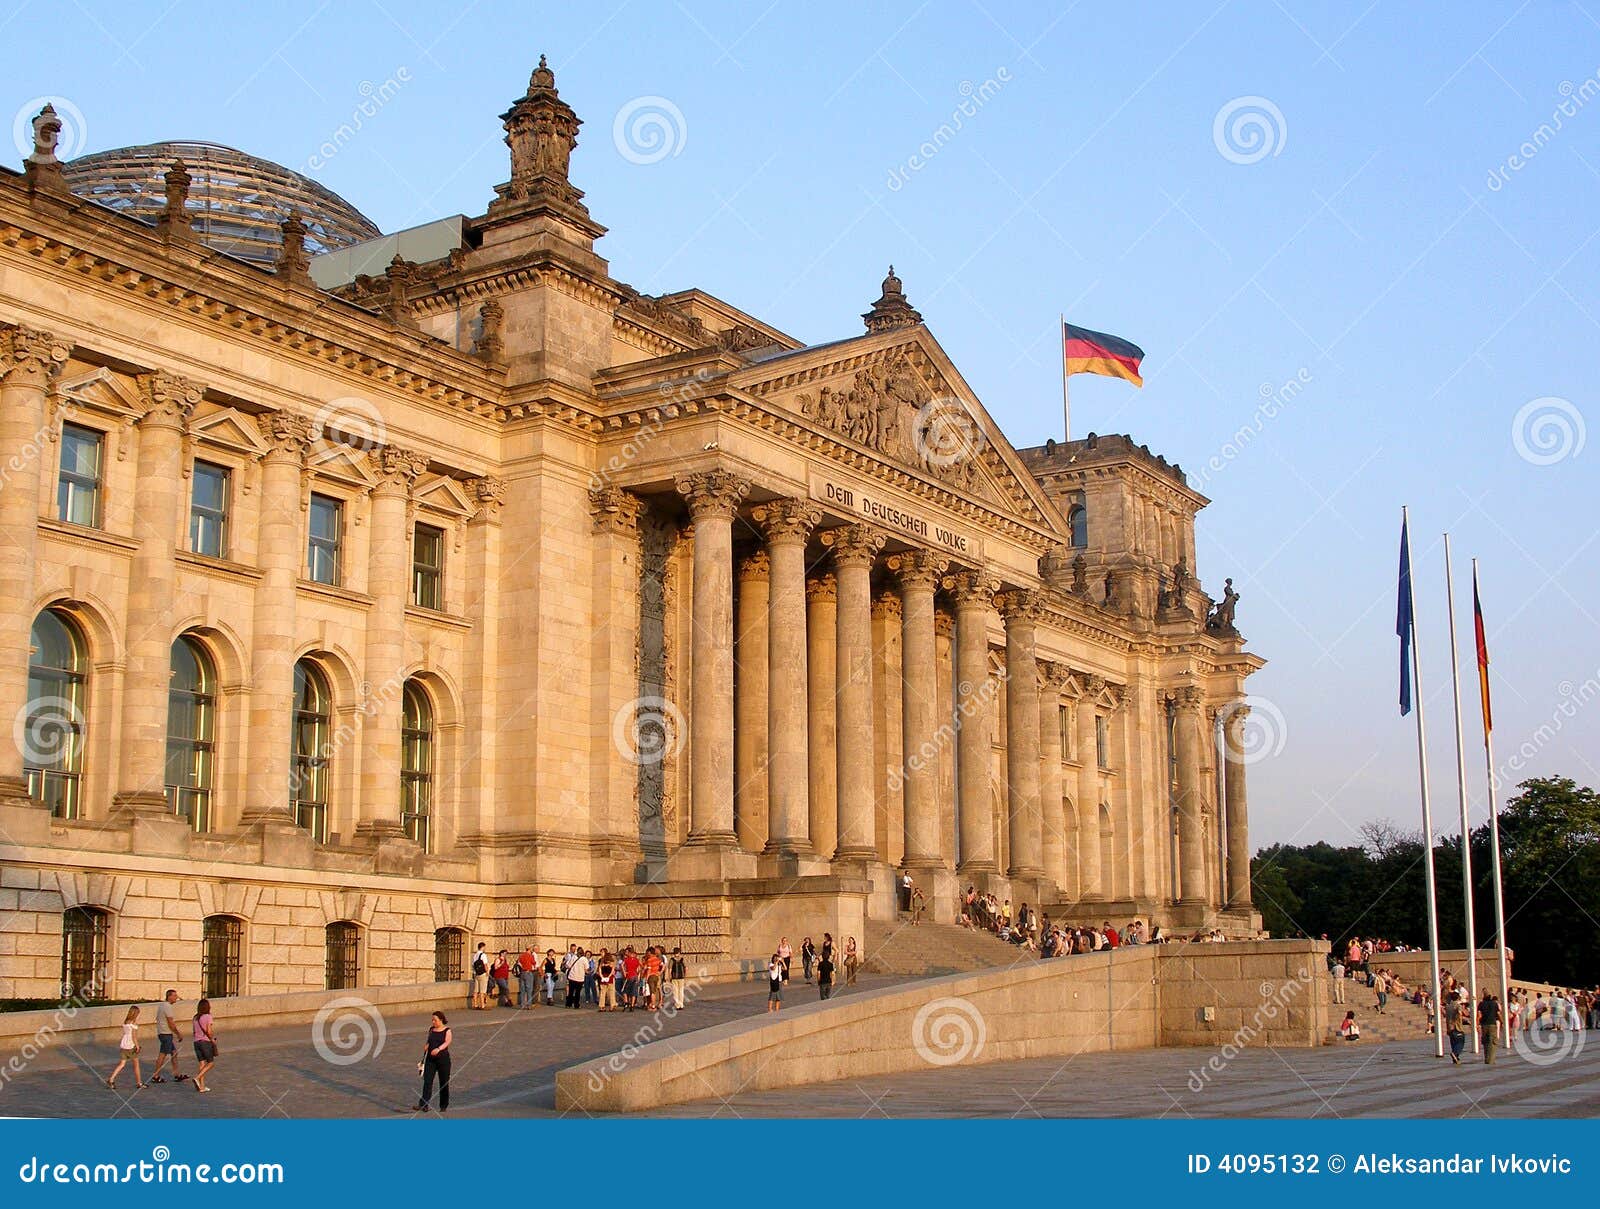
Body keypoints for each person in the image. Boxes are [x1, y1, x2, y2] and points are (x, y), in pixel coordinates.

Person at [413, 1011, 452, 1114]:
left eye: (435, 1020)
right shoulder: (431, 1030)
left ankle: (443, 1105)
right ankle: (424, 1104)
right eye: (432, 1020)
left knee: (443, 1083)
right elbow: (429, 1041)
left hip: (443, 1060)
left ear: (441, 1020)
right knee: (427, 1081)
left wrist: (438, 1049)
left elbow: (447, 1042)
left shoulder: (447, 1030)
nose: (433, 1022)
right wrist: (426, 1046)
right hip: (430, 1060)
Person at [150, 989, 187, 1084]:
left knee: (174, 1053)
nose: (176, 997)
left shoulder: (162, 1005)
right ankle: (155, 1076)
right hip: (165, 1034)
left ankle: (177, 1074)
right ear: (169, 996)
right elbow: (171, 1023)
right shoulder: (167, 1007)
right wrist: (178, 1034)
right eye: (174, 996)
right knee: (162, 1054)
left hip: (163, 1033)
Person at [107, 1005, 145, 1090]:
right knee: (136, 1065)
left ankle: (111, 1079)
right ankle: (139, 1083)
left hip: (124, 1044)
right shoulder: (134, 1024)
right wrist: (137, 1046)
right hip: (131, 1045)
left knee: (122, 1064)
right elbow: (134, 1037)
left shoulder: (125, 1022)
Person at [192, 998, 217, 1093]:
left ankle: (202, 1086)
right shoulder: (208, 1016)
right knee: (210, 1063)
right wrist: (212, 1040)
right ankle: (197, 1078)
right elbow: (209, 1031)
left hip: (196, 1042)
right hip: (205, 1041)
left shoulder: (195, 1017)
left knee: (202, 1063)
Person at [1479, 991, 1500, 1064]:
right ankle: (1491, 1060)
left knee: (1486, 1042)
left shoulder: (1481, 1004)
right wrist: (1502, 1021)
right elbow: (1498, 1013)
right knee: (1493, 1042)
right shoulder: (1494, 1004)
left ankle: (1487, 1059)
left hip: (1484, 1024)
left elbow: (1479, 1014)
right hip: (1492, 1024)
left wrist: (1477, 1023)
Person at [1445, 992, 1467, 1064]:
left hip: (1449, 1027)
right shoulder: (1458, 1005)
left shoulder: (1448, 1006)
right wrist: (1463, 1017)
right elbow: (1460, 1013)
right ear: (1458, 998)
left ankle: (1456, 1058)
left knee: (1453, 1043)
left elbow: (1446, 1016)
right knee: (1461, 1042)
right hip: (1457, 1027)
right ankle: (1455, 1053)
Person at [471, 942, 491, 1010]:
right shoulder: (483, 955)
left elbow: (473, 965)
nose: (485, 949)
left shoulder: (475, 955)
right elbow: (485, 964)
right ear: (482, 947)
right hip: (482, 974)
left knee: (476, 990)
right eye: (484, 947)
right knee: (482, 990)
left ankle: (475, 1005)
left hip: (476, 974)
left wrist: (474, 973)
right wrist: (487, 972)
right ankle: (482, 1005)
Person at [517, 944, 536, 1009]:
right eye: (532, 948)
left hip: (522, 973)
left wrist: (523, 967)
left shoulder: (521, 955)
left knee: (522, 990)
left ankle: (522, 1005)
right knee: (529, 989)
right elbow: (533, 963)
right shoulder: (530, 956)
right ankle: (529, 1005)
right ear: (530, 948)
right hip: (528, 972)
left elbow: (519, 963)